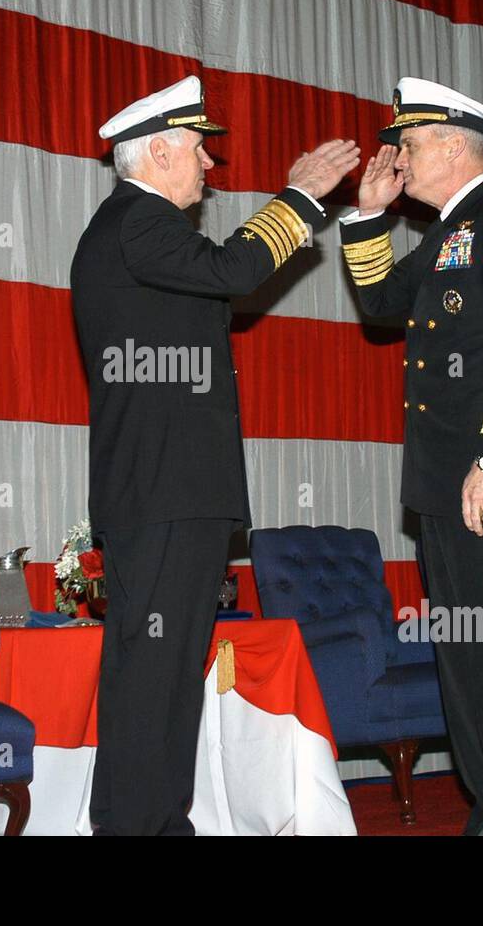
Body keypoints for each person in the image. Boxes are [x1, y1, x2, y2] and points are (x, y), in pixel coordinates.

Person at [71, 75, 358, 834]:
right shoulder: (138, 220)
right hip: (163, 490)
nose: (208, 165)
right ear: (159, 150)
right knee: (153, 676)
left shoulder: (140, 228)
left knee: (166, 676)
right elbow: (235, 273)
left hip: (173, 491)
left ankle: (155, 823)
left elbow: (218, 281)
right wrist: (298, 197)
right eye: (198, 148)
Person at [339, 77, 483, 834]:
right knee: (464, 667)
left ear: (455, 146)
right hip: (441, 486)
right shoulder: (447, 233)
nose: (398, 154)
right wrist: (368, 214)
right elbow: (380, 305)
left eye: (410, 142)